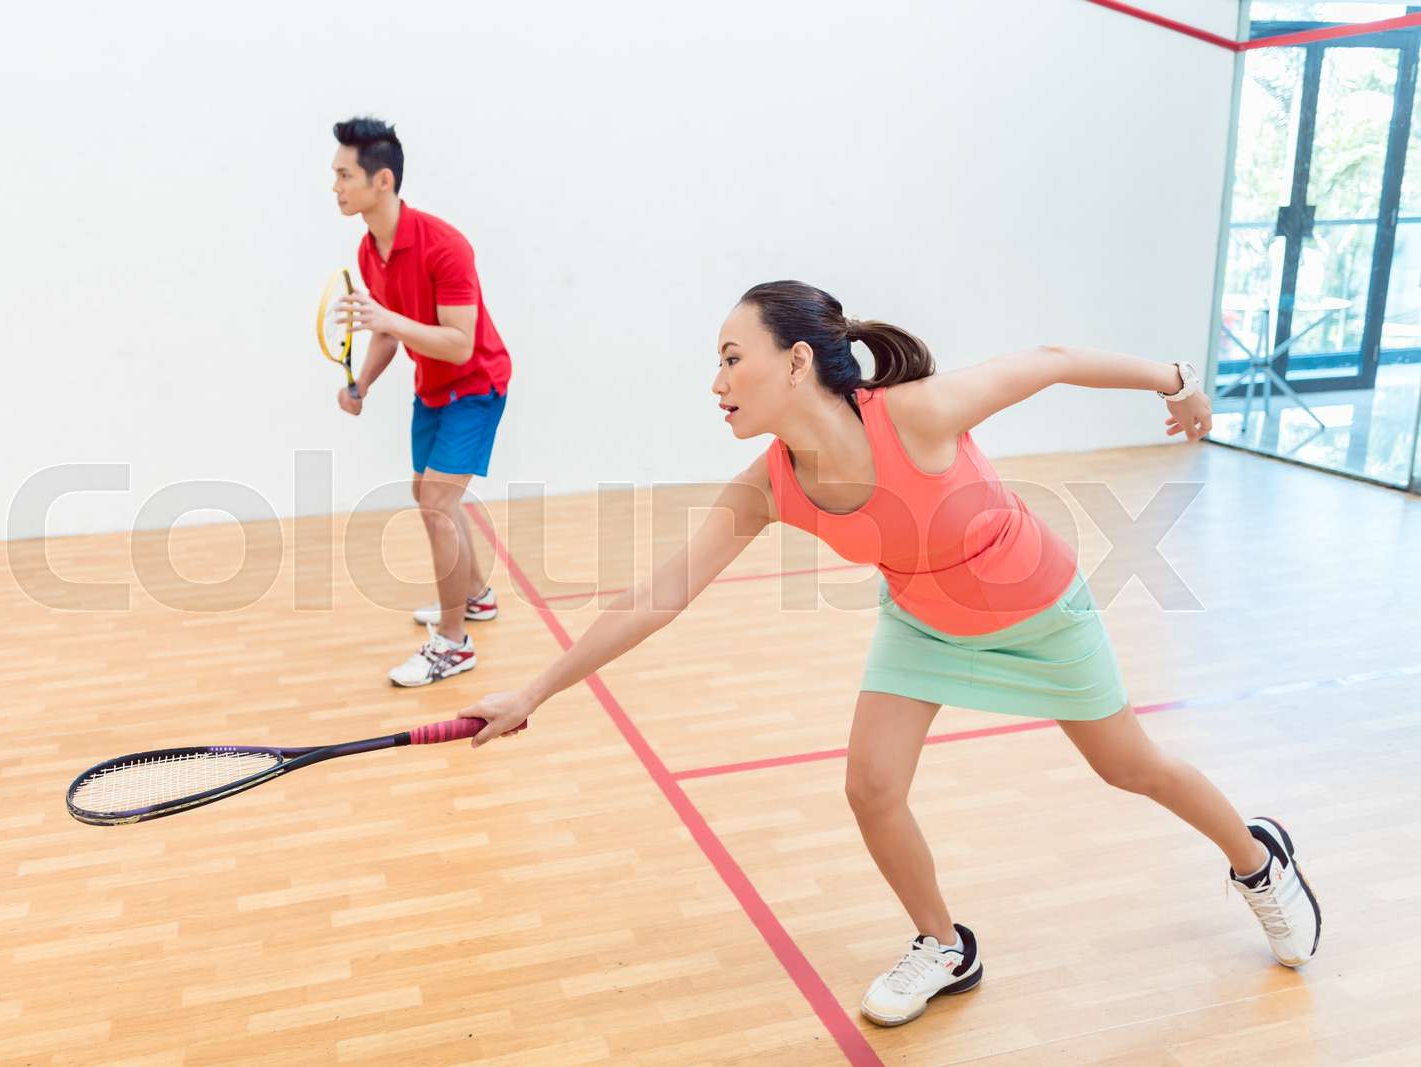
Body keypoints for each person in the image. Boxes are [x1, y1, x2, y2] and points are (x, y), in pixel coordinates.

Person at [459, 280, 1321, 1027]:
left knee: (1131, 767)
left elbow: (1053, 358)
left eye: (731, 358)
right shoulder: (768, 485)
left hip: (1040, 613)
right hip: (922, 616)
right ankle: (945, 946)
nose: (715, 382)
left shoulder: (917, 414)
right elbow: (658, 596)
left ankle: (1258, 861)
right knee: (870, 784)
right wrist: (533, 691)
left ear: (796, 362)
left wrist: (1179, 382)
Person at [330, 116, 511, 686]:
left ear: (381, 181)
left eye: (343, 175)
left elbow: (459, 344)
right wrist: (362, 384)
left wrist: (387, 319)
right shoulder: (369, 250)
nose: (334, 186)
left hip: (476, 385)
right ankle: (475, 597)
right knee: (431, 498)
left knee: (435, 504)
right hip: (431, 388)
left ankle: (454, 645)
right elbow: (388, 333)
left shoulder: (445, 246)